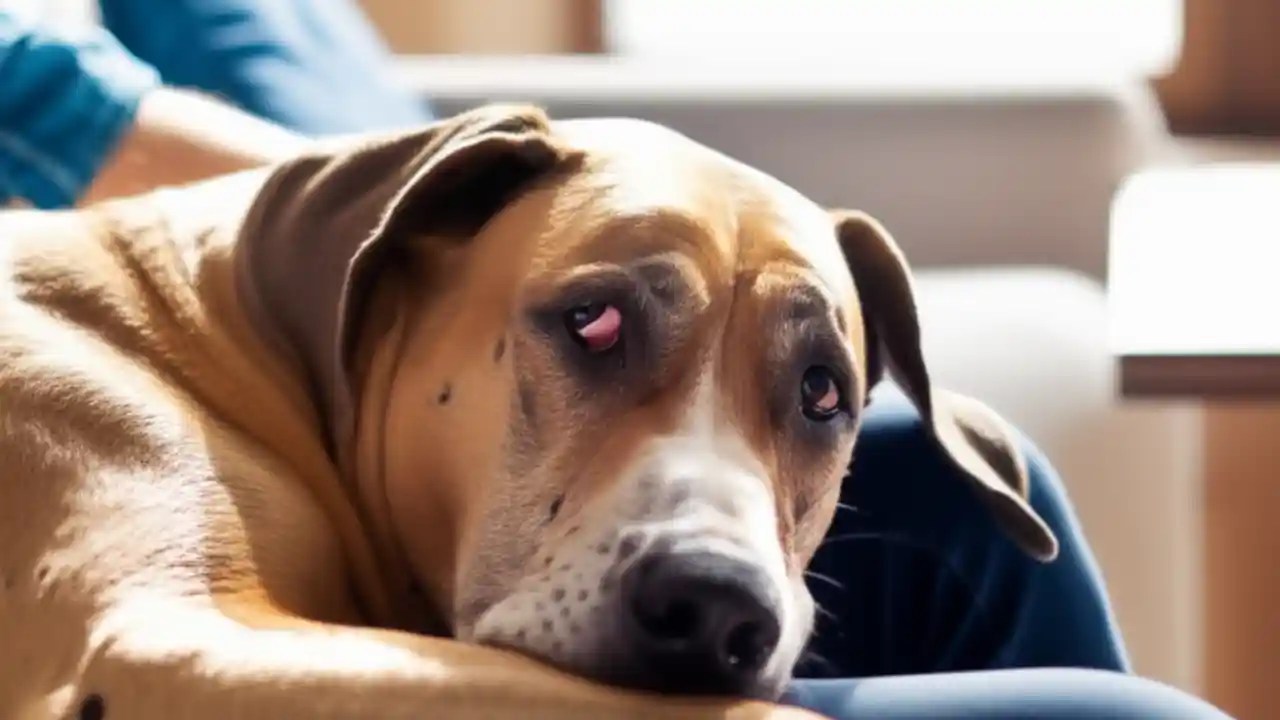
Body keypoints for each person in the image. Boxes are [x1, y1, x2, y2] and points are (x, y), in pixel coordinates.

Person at [0, 3, 1232, 718]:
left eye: (817, 398)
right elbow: (137, 685)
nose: (715, 566)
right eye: (593, 334)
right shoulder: (81, 367)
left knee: (978, 504)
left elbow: (60, 101)